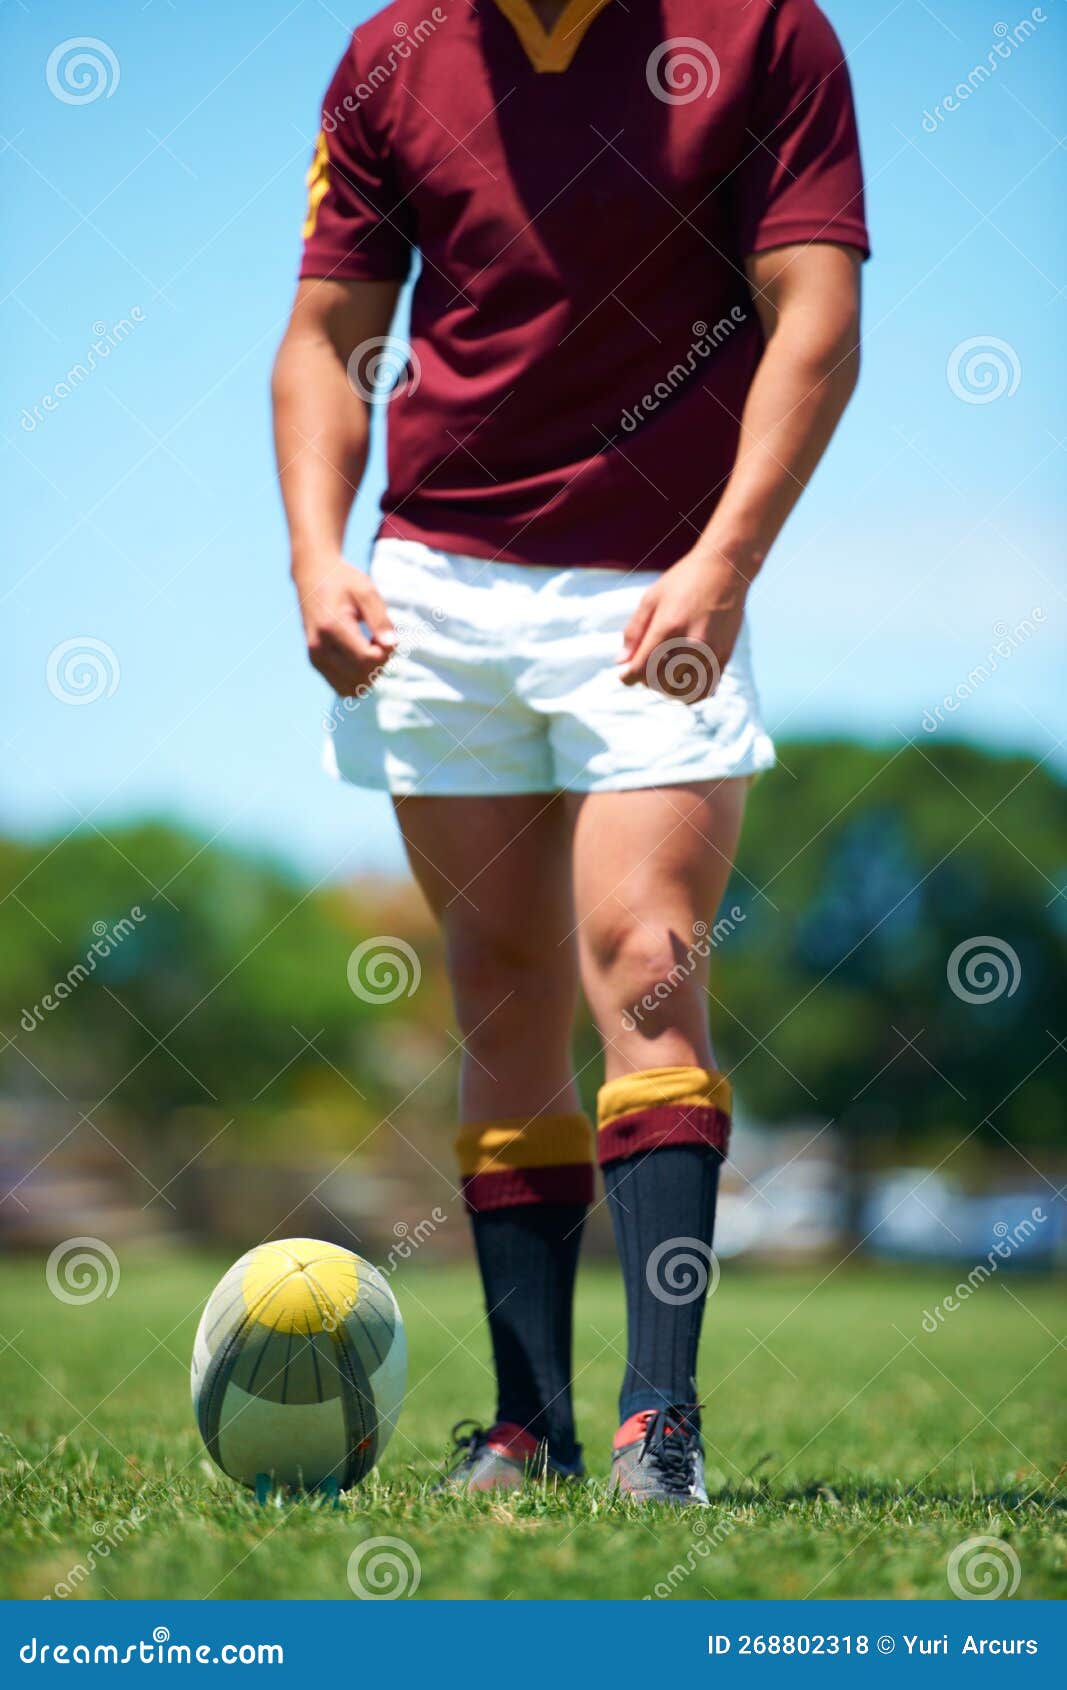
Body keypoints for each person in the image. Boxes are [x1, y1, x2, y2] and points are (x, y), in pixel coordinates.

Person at [272, 0, 868, 1505]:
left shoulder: (767, 34)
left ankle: (655, 1426)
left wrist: (726, 563)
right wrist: (313, 554)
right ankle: (525, 1424)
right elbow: (331, 338)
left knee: (645, 949)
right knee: (501, 988)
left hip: (656, 573)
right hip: (435, 586)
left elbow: (817, 312)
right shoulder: (390, 55)